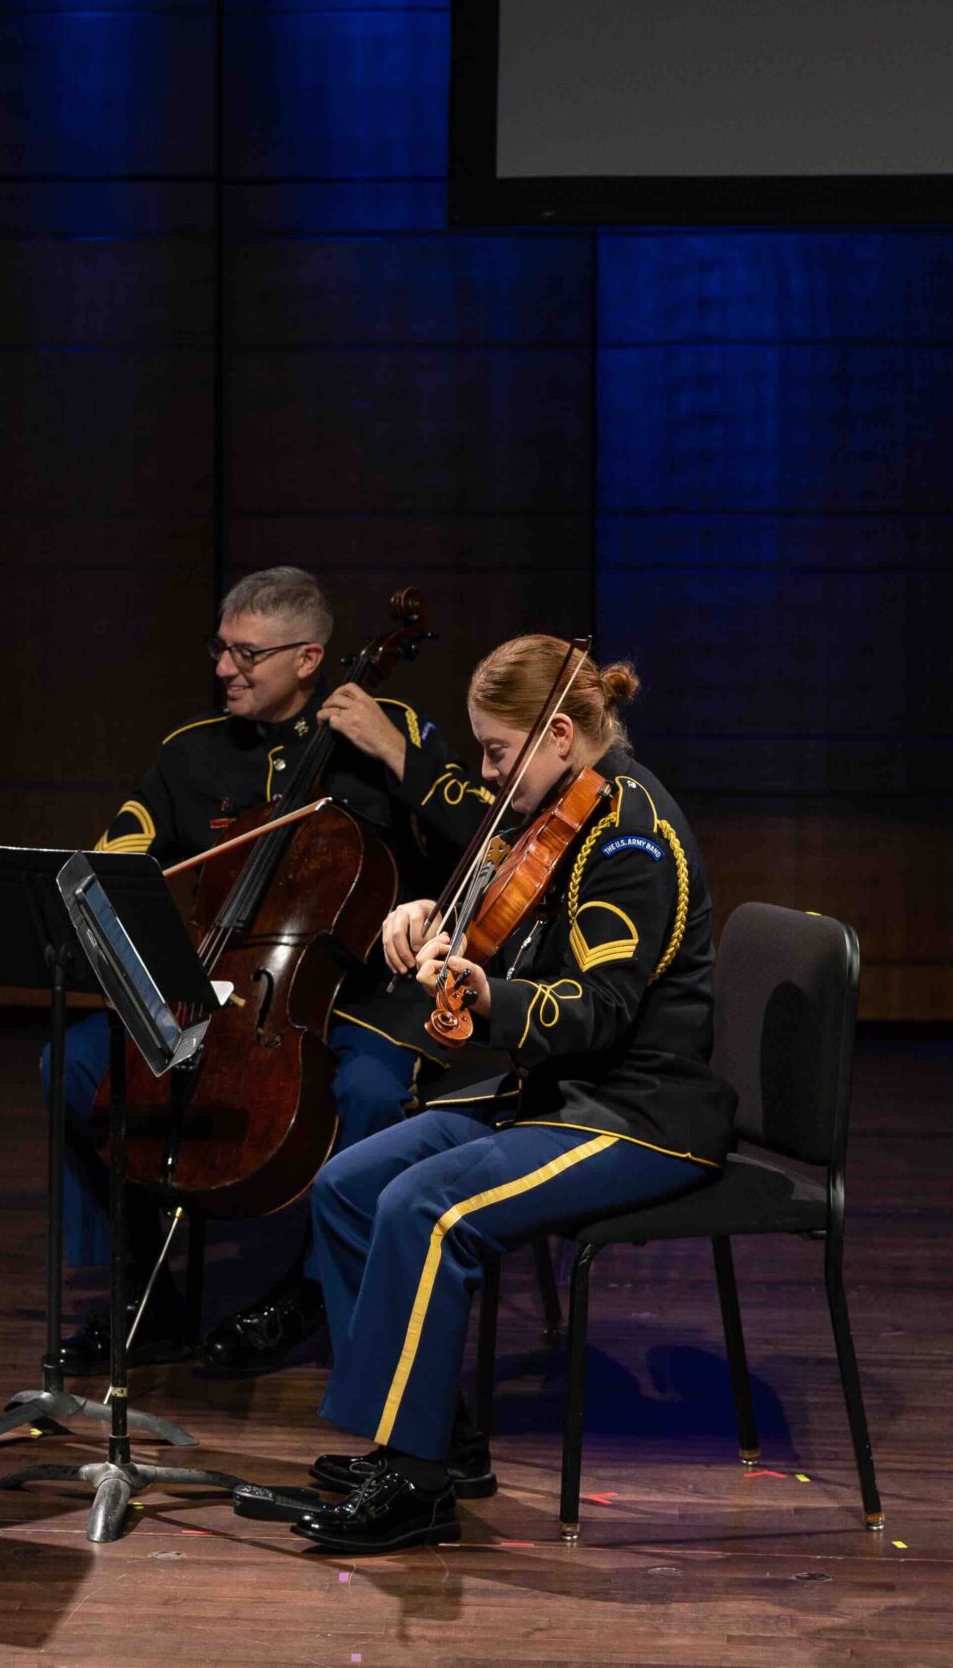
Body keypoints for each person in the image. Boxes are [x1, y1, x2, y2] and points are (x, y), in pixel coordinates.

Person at [249, 636, 732, 1554]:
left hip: (635, 1112)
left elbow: (600, 1010)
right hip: (552, 1092)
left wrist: (486, 995)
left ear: (560, 735)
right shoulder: (558, 812)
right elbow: (497, 919)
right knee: (348, 1186)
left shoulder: (632, 837)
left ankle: (416, 1482)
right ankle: (432, 1432)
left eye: (498, 751)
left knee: (427, 1208)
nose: (485, 772)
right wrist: (425, 916)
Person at [52, 567, 488, 1377]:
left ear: (309, 658)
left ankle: (310, 1292)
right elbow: (118, 859)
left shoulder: (393, 729)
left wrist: (394, 752)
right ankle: (139, 1287)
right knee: (75, 1062)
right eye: (220, 648)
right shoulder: (190, 752)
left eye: (247, 654)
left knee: (372, 1091)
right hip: (227, 987)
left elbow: (488, 840)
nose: (225, 668)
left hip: (364, 995)